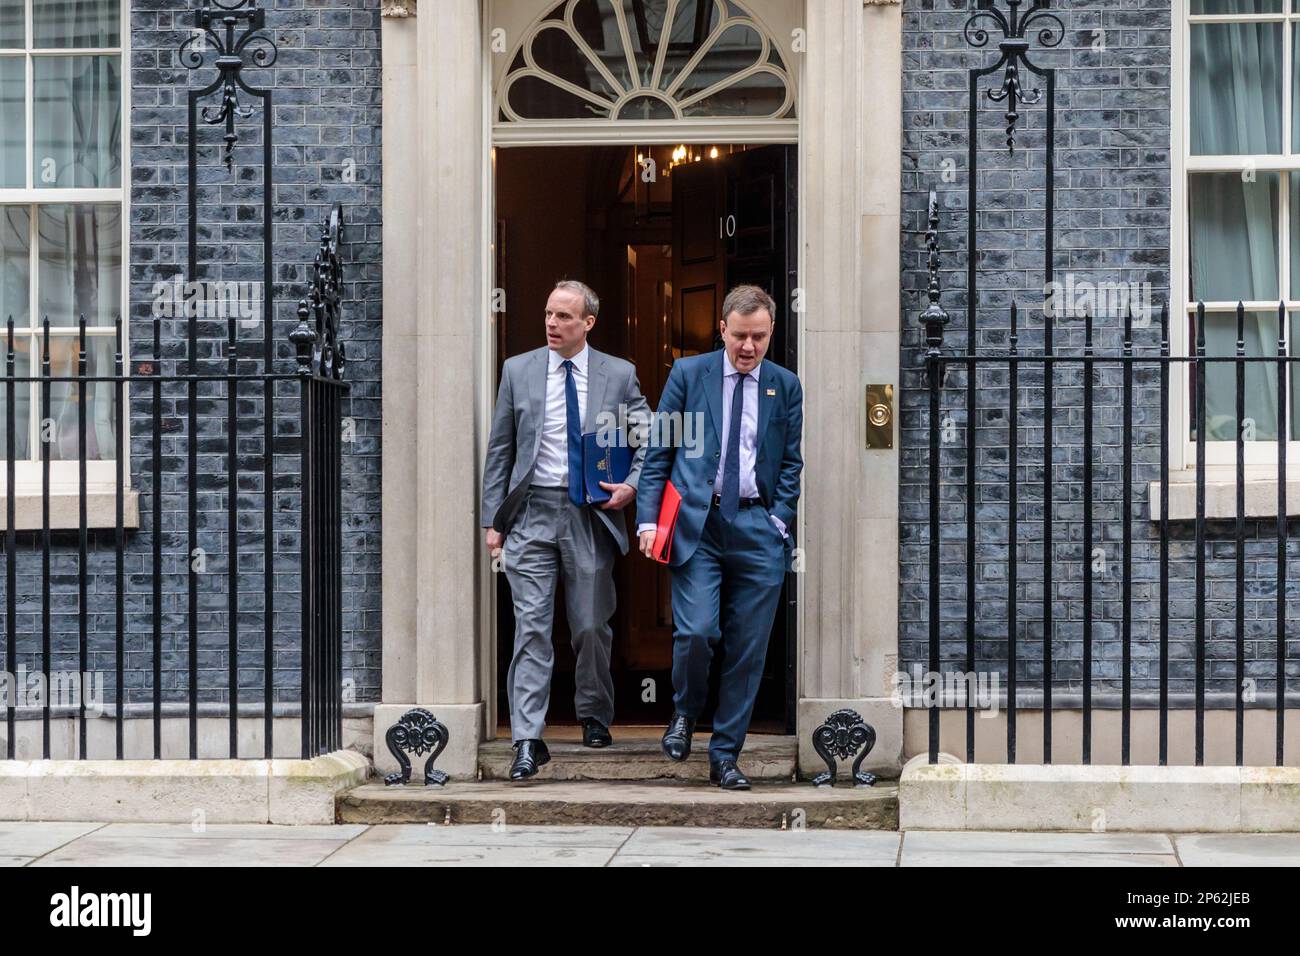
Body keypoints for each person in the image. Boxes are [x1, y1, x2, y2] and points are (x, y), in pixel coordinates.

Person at [635, 284, 803, 790]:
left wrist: (778, 520)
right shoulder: (689, 375)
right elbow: (659, 452)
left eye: (759, 337)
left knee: (749, 649)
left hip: (757, 526)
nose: (748, 347)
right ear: (722, 331)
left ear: (771, 333)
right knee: (697, 632)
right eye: (739, 337)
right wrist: (648, 521)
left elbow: (791, 462)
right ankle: (685, 711)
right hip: (697, 524)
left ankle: (726, 755)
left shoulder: (786, 385)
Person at [482, 280, 649, 780]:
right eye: (549, 314)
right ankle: (528, 739)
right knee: (531, 628)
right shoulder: (518, 370)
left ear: (588, 323)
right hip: (532, 511)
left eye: (565, 317)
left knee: (590, 624)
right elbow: (500, 450)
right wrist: (494, 521)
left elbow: (649, 439)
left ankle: (594, 713)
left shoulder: (619, 375)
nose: (552, 324)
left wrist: (632, 487)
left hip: (589, 512)